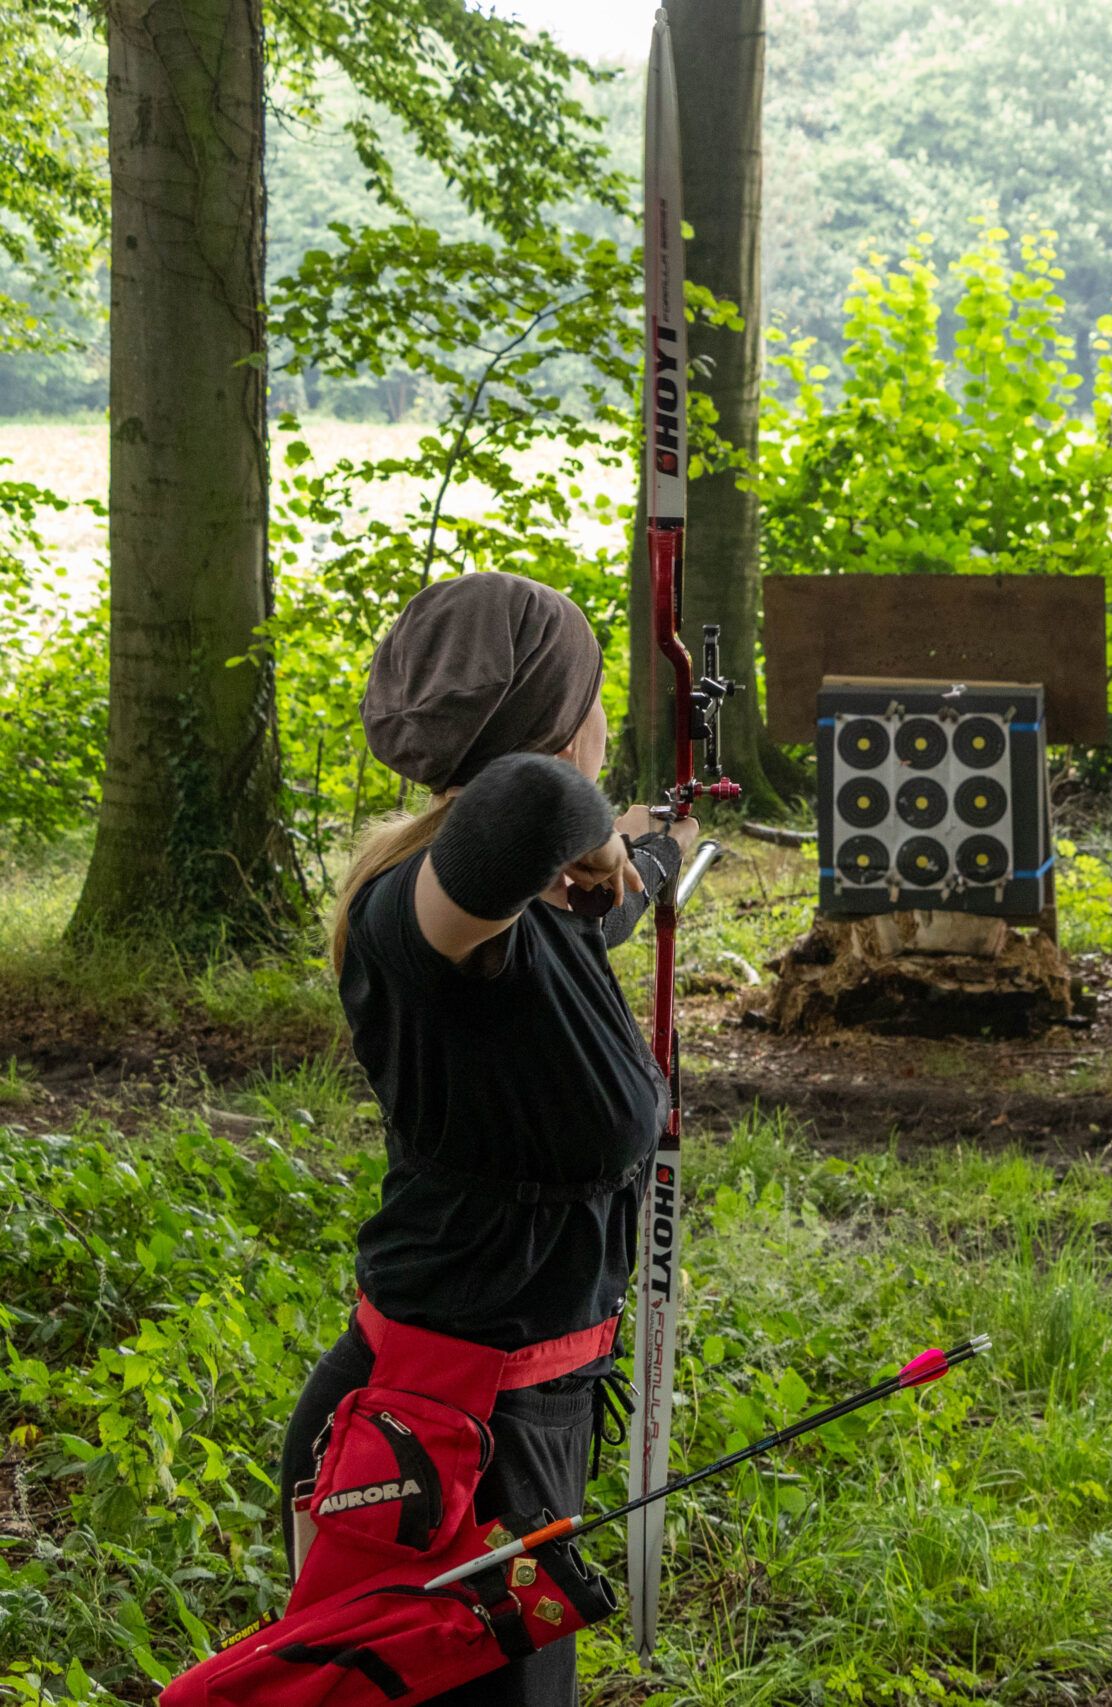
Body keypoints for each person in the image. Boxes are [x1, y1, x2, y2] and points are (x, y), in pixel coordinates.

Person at [281, 571, 698, 1704]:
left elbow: (595, 890)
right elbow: (526, 805)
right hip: (434, 1437)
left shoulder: (524, 914)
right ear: (556, 725)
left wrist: (654, 847)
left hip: (521, 1418)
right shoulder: (421, 910)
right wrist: (596, 822)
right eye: (595, 695)